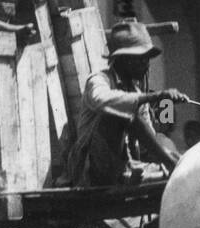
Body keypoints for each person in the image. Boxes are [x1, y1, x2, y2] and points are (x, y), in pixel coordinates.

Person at [68, 19, 187, 185]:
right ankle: (171, 165)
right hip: (91, 170)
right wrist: (154, 96)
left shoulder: (137, 94)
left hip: (126, 166)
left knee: (164, 145)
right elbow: (101, 100)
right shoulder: (98, 80)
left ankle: (174, 164)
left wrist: (170, 153)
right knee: (121, 116)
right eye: (140, 59)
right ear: (122, 60)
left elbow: (148, 142)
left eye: (147, 59)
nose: (145, 65)